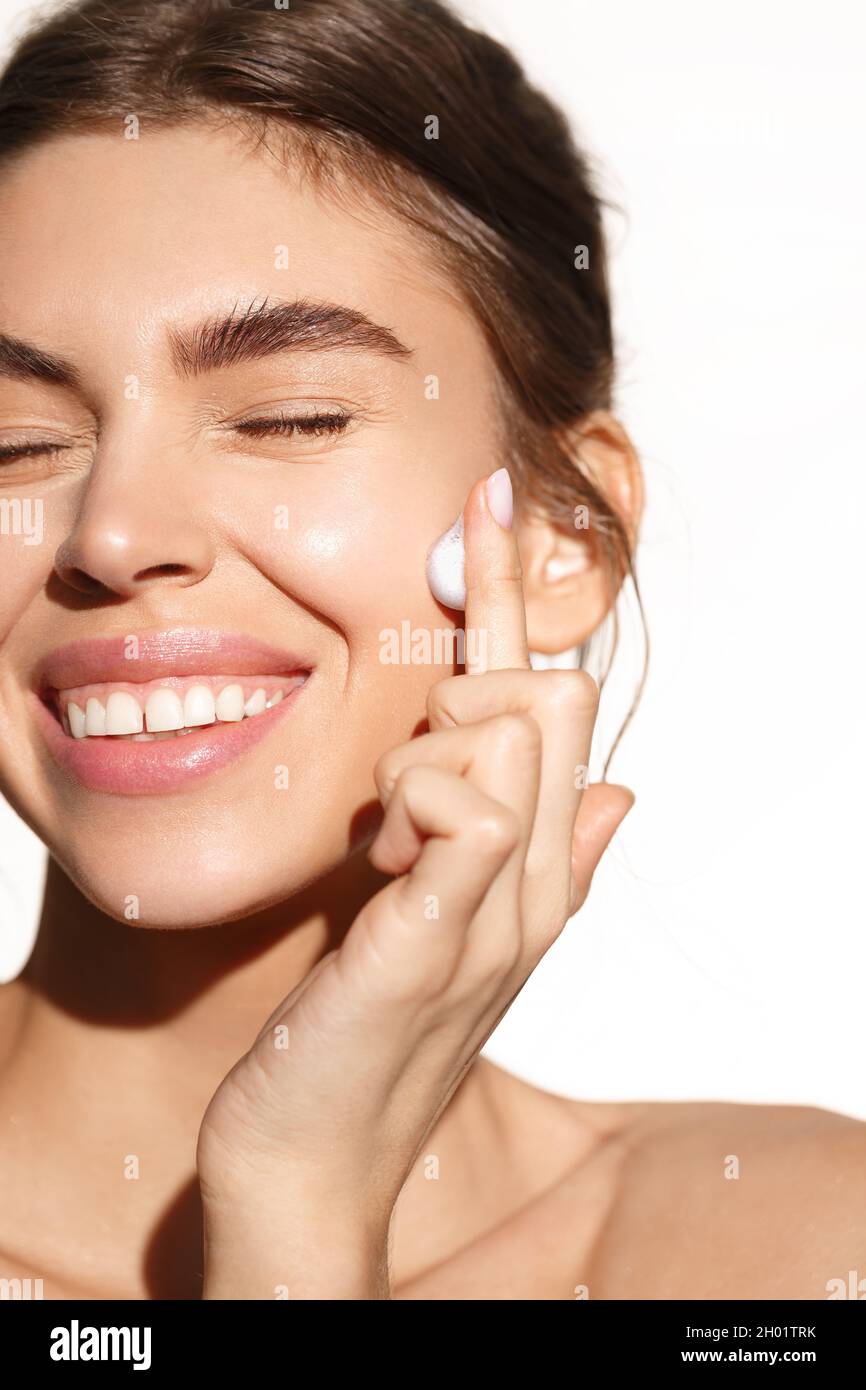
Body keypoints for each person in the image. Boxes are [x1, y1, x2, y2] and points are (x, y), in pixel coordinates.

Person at [0, 0, 861, 1300]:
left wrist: (296, 1193)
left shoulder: (791, 1256)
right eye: (15, 441)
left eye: (288, 418)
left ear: (559, 538)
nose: (115, 534)